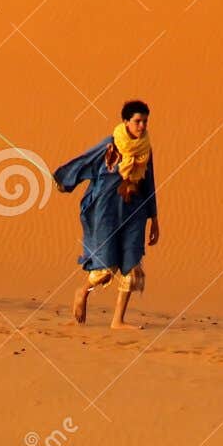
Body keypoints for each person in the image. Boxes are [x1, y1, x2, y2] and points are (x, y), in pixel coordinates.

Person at [55, 100, 160, 330]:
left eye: (145, 121)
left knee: (132, 268)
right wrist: (63, 180)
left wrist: (154, 219)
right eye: (138, 121)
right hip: (106, 211)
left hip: (134, 211)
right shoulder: (109, 145)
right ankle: (83, 292)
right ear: (126, 121)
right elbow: (84, 162)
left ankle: (118, 320)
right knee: (105, 269)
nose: (142, 126)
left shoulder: (146, 150)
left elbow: (149, 183)